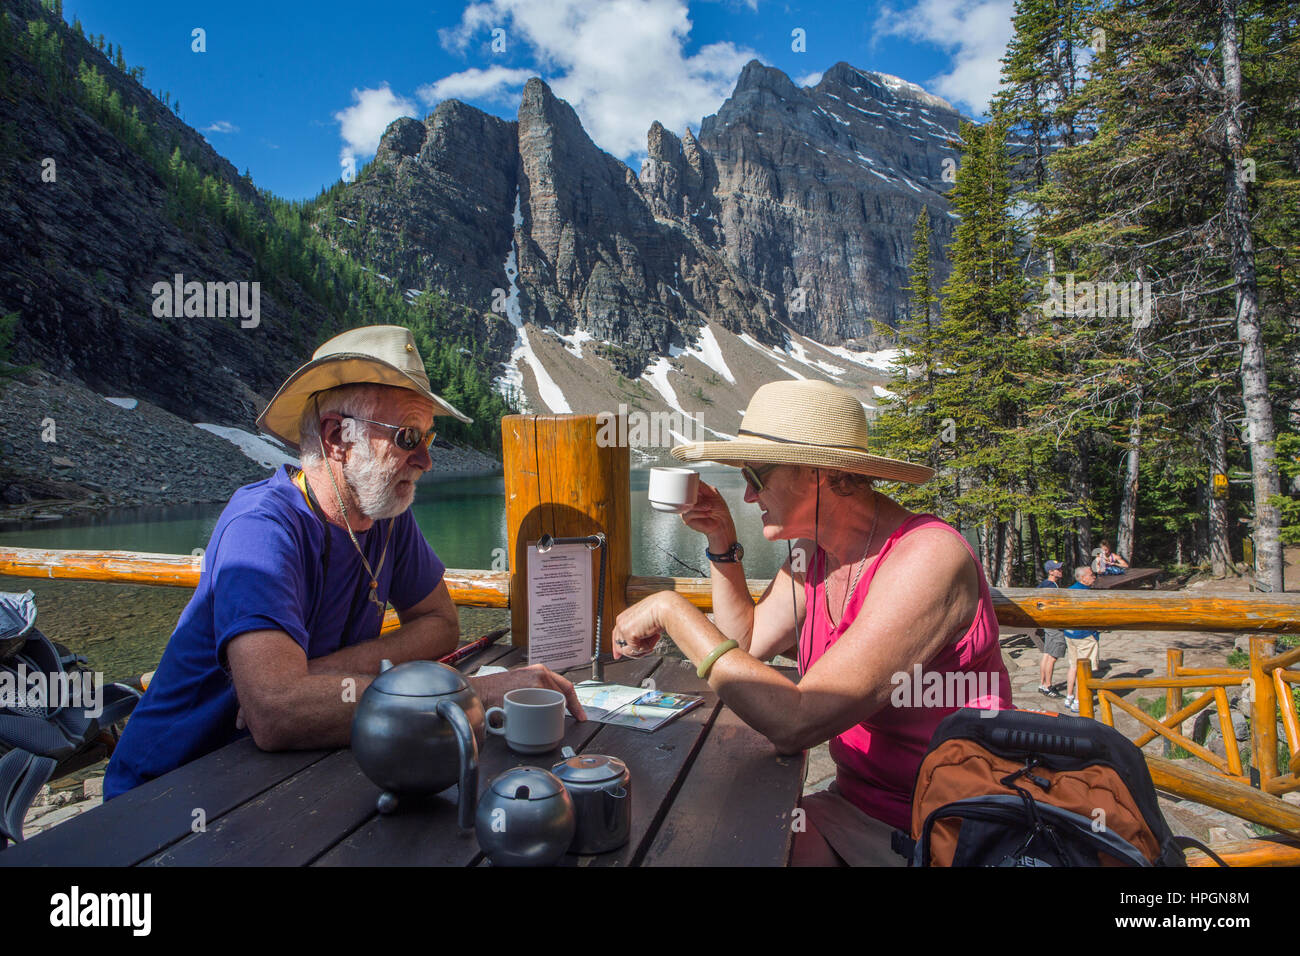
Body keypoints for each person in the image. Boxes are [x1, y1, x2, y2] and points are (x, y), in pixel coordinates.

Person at [105, 326, 584, 798]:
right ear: (338, 436)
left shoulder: (386, 517)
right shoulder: (261, 530)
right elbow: (275, 715)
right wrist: (471, 696)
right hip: (169, 793)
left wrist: (314, 678)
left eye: (428, 439)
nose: (425, 460)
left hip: (277, 777)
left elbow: (440, 624)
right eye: (408, 436)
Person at [611, 380, 1012, 866]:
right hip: (857, 808)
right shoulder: (814, 556)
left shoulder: (928, 558)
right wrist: (721, 537)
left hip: (946, 828)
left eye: (756, 477)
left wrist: (673, 610)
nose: (747, 496)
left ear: (819, 473)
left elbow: (795, 721)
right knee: (711, 838)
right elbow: (748, 645)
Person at [1063, 565, 1101, 713]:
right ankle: (1079, 701)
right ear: (1083, 577)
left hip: (1070, 634)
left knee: (1073, 666)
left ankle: (1069, 696)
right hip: (1085, 636)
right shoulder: (1086, 594)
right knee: (1083, 670)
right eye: (1091, 575)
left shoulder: (1070, 590)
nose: (1094, 577)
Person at [1036, 560, 1066, 699]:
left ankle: (1042, 684)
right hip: (1053, 624)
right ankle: (1048, 685)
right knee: (1053, 656)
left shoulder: (1043, 585)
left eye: (1060, 568)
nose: (1060, 570)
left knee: (1047, 654)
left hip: (1046, 623)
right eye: (1057, 569)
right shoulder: (1051, 586)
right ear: (1051, 572)